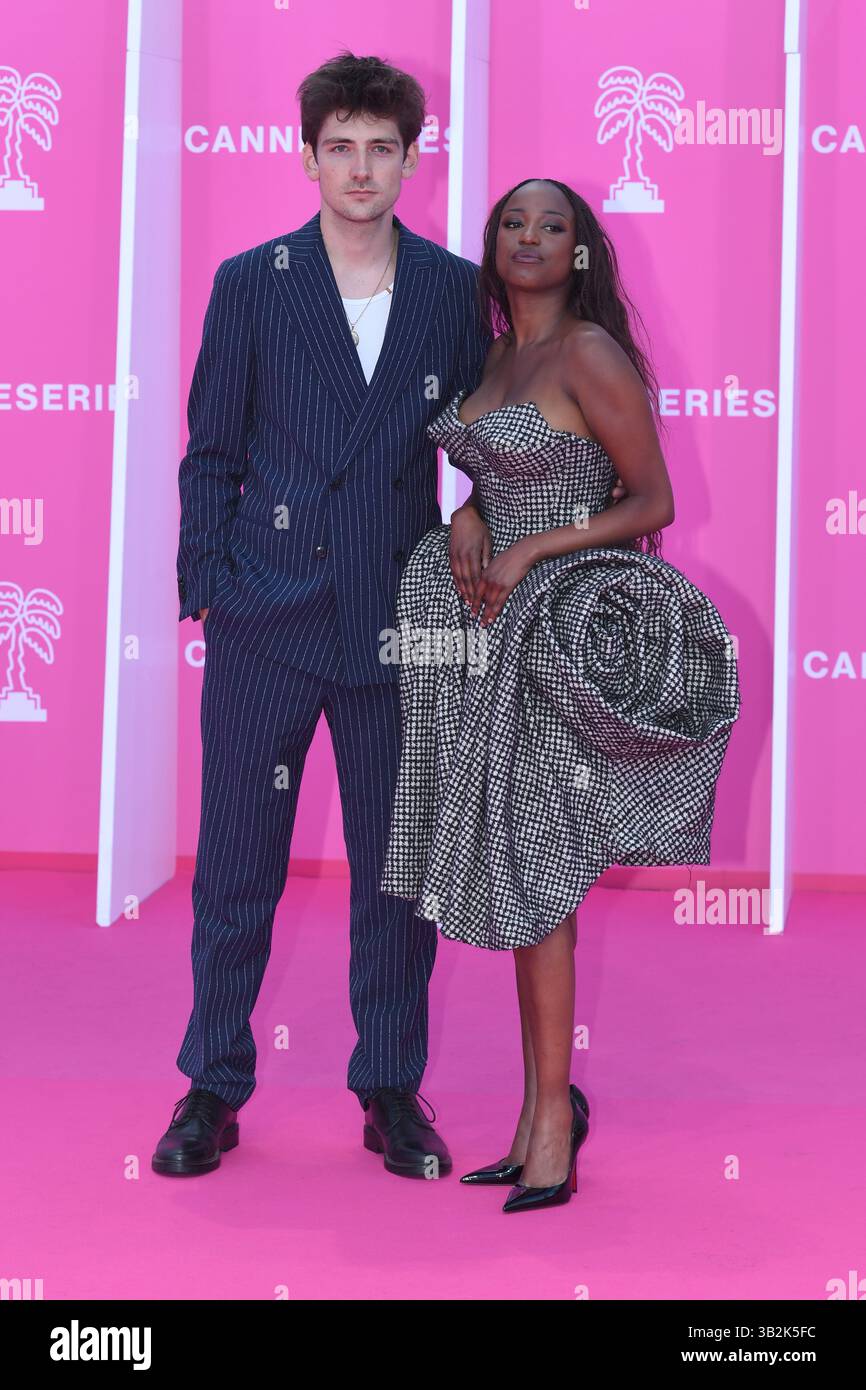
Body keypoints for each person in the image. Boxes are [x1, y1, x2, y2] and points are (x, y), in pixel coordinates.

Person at [154, 55, 627, 1181]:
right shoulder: (250, 283)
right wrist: (208, 585)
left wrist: (474, 522)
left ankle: (388, 1086)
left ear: (411, 161)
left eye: (382, 148)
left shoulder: (450, 293)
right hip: (264, 620)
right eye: (341, 147)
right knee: (233, 870)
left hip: (397, 625)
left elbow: (498, 436)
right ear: (309, 154)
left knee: (393, 873)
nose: (361, 167)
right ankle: (210, 1086)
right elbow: (209, 452)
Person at [380, 177, 741, 1212]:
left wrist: (532, 538)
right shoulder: (497, 356)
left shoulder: (587, 351)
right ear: (490, 245)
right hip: (481, 636)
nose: (530, 237)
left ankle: (547, 1120)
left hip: (560, 632)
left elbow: (651, 499)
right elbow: (496, 474)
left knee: (537, 882)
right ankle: (546, 1105)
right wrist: (468, 514)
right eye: (512, 222)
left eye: (553, 226)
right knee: (517, 872)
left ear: (579, 252)